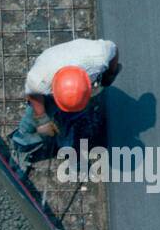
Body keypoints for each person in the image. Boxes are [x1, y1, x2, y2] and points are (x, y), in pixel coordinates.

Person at [10, 37, 121, 172]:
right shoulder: (39, 80)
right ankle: (20, 145)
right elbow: (33, 95)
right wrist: (42, 119)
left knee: (71, 118)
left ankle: (65, 141)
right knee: (31, 119)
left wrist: (110, 74)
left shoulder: (99, 57)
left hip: (79, 81)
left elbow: (114, 50)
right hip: (51, 67)